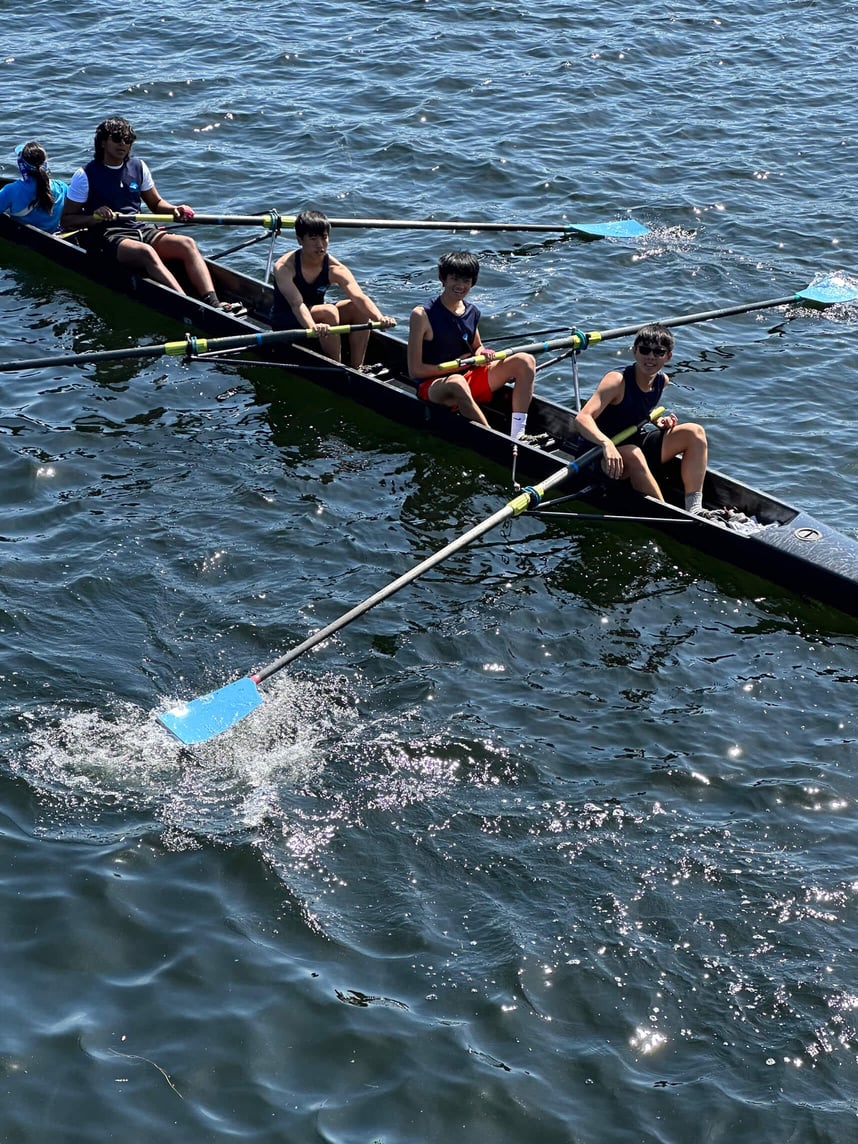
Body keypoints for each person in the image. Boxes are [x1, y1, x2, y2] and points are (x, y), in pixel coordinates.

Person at [61, 117, 243, 313]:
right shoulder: (85, 175)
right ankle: (189, 306)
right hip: (107, 236)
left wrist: (175, 209)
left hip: (139, 228)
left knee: (187, 243)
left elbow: (156, 204)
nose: (123, 144)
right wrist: (94, 217)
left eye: (128, 139)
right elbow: (67, 220)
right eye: (117, 139)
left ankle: (214, 304)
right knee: (146, 252)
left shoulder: (138, 167)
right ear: (103, 142)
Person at [574, 324, 708, 513]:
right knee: (633, 453)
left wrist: (657, 422)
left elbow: (636, 410)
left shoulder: (662, 381)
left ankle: (694, 509)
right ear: (635, 351)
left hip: (633, 442)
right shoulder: (616, 381)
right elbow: (582, 418)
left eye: (658, 352)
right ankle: (667, 516)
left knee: (695, 432)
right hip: (597, 454)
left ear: (668, 356)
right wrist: (606, 444)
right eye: (644, 350)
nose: (651, 357)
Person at [407, 250, 535, 441]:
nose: (460, 286)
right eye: (455, 279)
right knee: (457, 383)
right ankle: (493, 439)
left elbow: (477, 347)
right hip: (433, 387)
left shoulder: (472, 311)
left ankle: (518, 435)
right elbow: (415, 371)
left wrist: (483, 353)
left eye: (466, 281)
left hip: (465, 375)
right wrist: (459, 364)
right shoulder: (421, 315)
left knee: (526, 360)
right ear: (442, 278)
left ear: (472, 283)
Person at [271, 210, 396, 369]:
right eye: (313, 238)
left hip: (318, 318)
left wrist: (380, 318)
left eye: (324, 238)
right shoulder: (284, 267)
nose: (320, 245)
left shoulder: (334, 268)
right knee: (329, 311)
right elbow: (297, 304)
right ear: (299, 240)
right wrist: (312, 327)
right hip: (287, 319)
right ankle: (337, 367)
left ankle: (357, 367)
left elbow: (359, 297)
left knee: (356, 308)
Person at [0, 142, 67, 233]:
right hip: (52, 238)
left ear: (21, 165)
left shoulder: (11, 191)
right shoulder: (62, 188)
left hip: (23, 239)